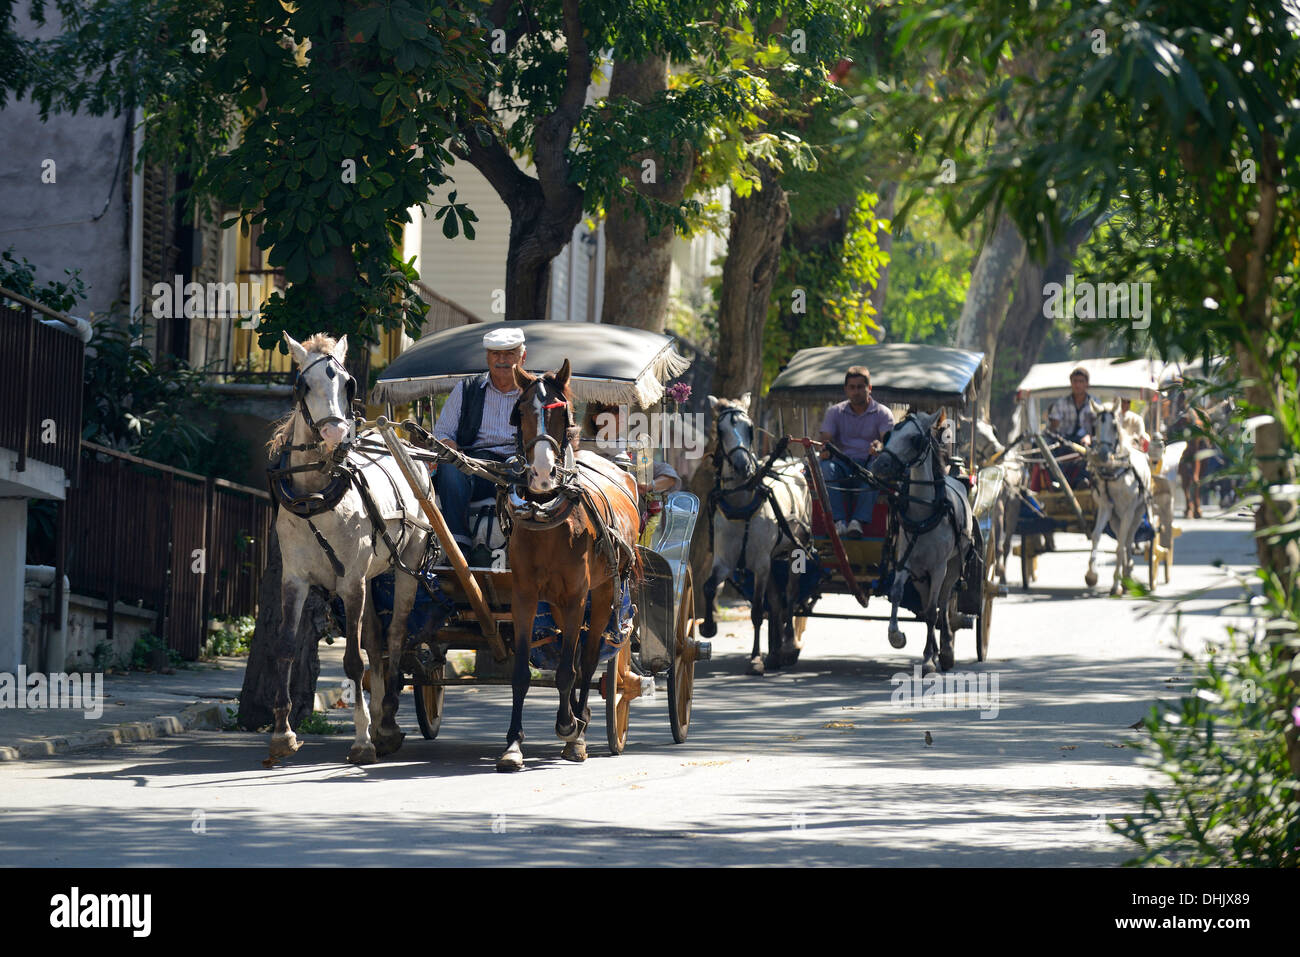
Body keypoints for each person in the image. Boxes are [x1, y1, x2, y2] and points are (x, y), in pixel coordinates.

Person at [433, 327, 526, 564]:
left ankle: (524, 545)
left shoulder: (535, 392)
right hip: (473, 465)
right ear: (487, 357)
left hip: (517, 468)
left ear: (522, 357)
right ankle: (458, 543)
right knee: (449, 466)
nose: (502, 360)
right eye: (496, 354)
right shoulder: (466, 389)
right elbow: (442, 433)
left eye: (509, 354)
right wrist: (453, 448)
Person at [816, 365, 894, 537]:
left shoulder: (883, 413)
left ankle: (857, 522)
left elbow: (887, 441)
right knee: (825, 468)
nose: (856, 391)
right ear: (846, 390)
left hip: (868, 465)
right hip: (841, 464)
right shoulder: (835, 412)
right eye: (852, 387)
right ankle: (839, 522)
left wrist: (879, 447)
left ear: (869, 388)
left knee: (878, 469)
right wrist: (825, 448)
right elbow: (825, 439)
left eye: (860, 387)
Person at [585, 400, 682, 494]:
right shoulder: (582, 452)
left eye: (623, 409)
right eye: (615, 410)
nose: (622, 414)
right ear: (597, 417)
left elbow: (669, 474)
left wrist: (650, 485)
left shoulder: (628, 449)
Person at [1046, 365, 1097, 488]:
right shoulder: (1061, 403)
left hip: (1085, 443)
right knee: (1047, 450)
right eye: (1075, 381)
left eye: (1081, 381)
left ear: (1086, 384)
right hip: (1064, 441)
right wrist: (1055, 428)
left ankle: (1083, 481)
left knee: (1097, 450)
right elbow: (1054, 426)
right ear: (1071, 383)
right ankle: (1058, 482)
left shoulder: (1095, 404)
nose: (1078, 385)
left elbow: (1098, 427)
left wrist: (1090, 437)